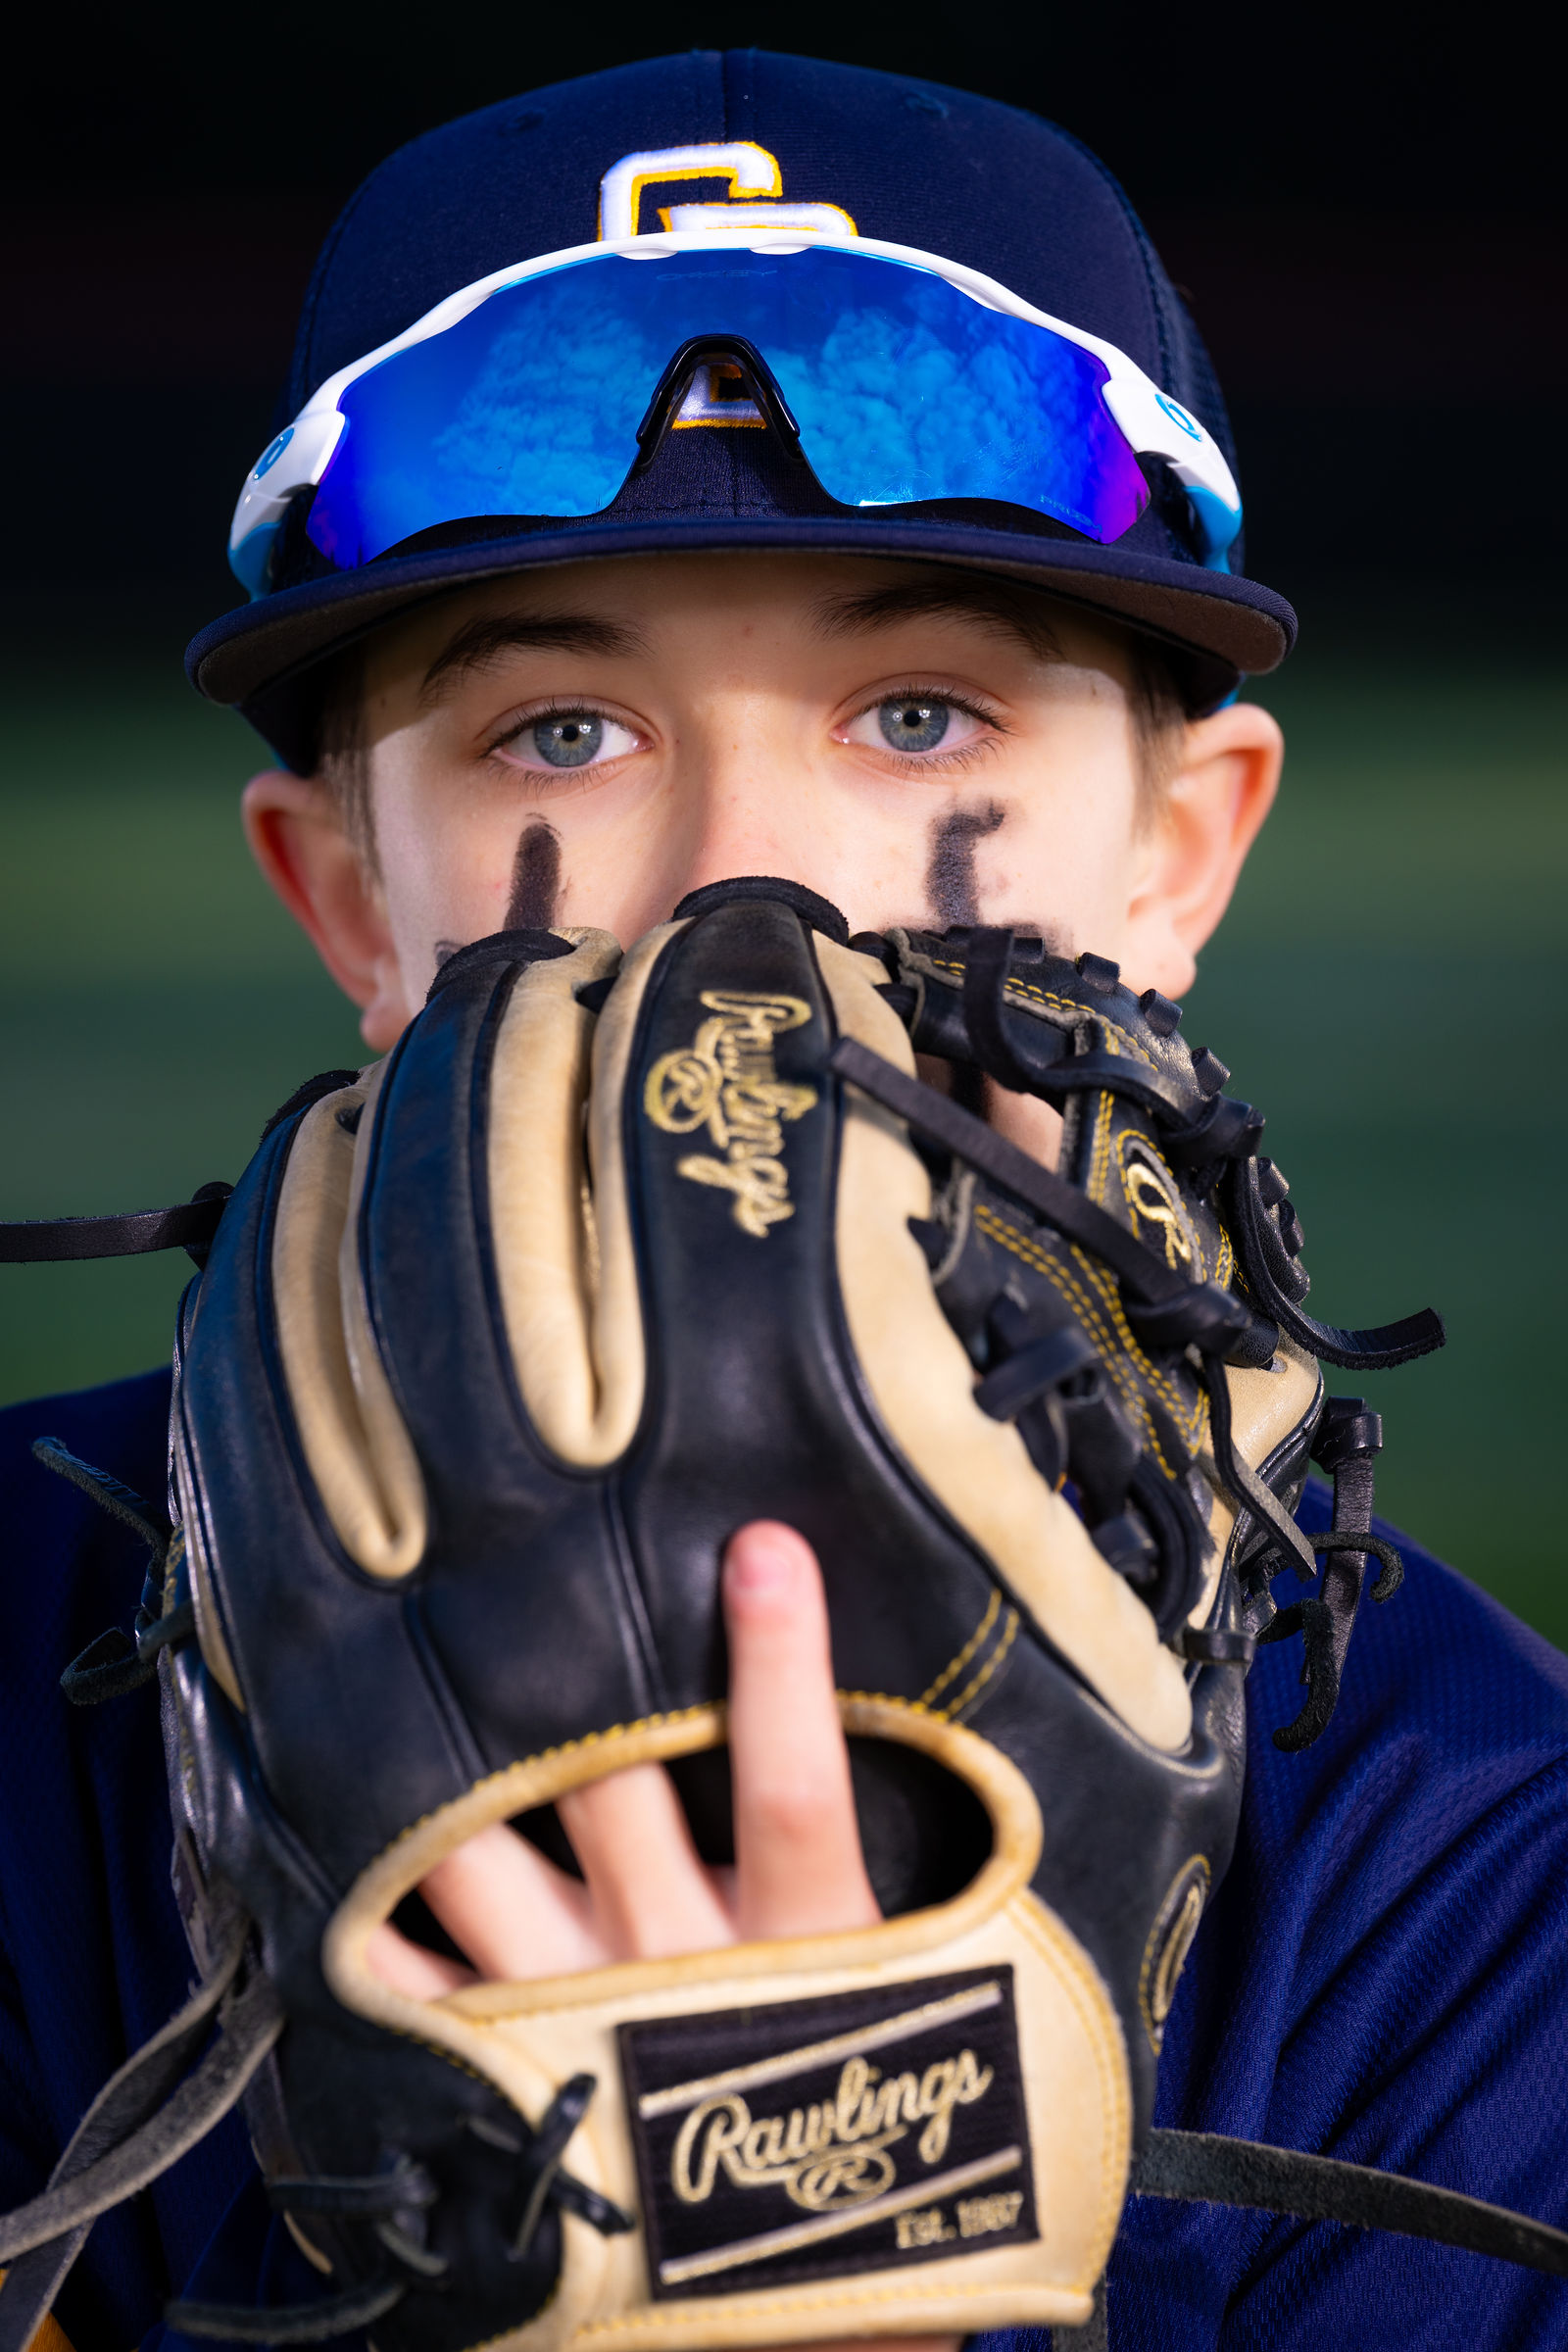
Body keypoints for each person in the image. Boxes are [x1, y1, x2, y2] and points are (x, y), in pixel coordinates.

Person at [3, 49, 1566, 2352]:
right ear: (345, 893)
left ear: (1180, 846)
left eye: (918, 714)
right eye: (561, 730)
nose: (740, 895)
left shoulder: (1479, 1881)